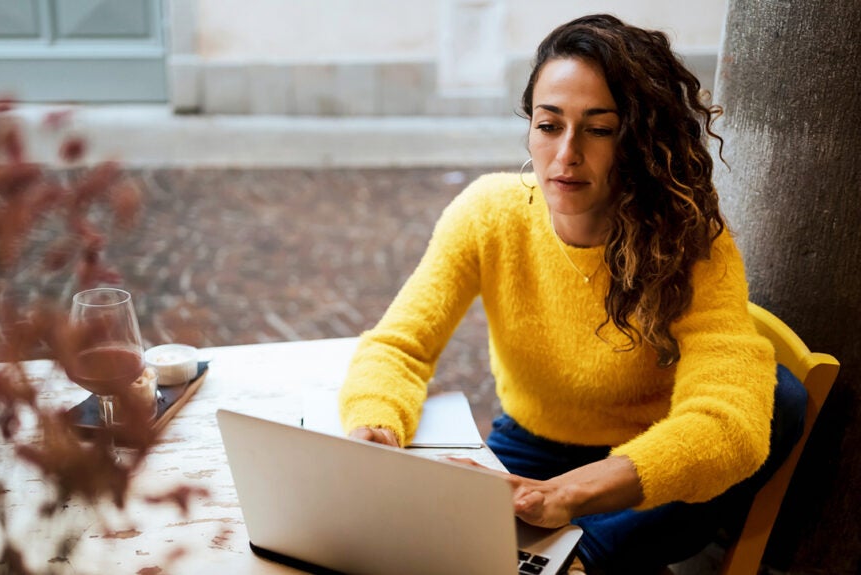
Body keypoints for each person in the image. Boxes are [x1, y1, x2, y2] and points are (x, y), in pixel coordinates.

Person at [338, 13, 806, 575]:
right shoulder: (488, 213)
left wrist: (573, 497)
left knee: (776, 399)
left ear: (639, 138)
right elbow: (399, 347)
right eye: (549, 124)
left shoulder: (688, 239)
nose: (566, 155)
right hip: (530, 445)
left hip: (644, 463)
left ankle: (582, 557)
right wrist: (376, 424)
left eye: (599, 128)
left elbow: (729, 423)